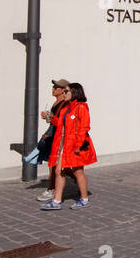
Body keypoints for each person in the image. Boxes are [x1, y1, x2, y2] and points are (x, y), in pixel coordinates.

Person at [42, 82, 98, 210]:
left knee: (78, 172)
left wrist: (78, 145)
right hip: (64, 145)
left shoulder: (81, 107)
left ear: (75, 92)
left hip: (74, 146)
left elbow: (84, 127)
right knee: (59, 171)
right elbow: (60, 124)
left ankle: (84, 199)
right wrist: (50, 117)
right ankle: (57, 201)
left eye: (66, 91)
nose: (64, 93)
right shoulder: (66, 108)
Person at [32, 79, 71, 202]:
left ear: (63, 90)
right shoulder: (56, 103)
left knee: (53, 164)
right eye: (53, 87)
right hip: (53, 133)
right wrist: (48, 117)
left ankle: (53, 189)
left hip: (57, 135)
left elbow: (62, 122)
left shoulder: (64, 104)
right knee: (51, 163)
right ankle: (54, 187)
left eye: (56, 87)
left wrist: (50, 118)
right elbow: (53, 121)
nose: (53, 89)